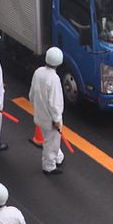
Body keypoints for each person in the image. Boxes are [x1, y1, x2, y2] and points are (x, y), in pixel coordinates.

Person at [30, 47, 65, 175]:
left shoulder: (38, 72)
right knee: (51, 143)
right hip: (50, 119)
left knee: (49, 139)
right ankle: (49, 166)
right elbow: (55, 103)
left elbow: (32, 94)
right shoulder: (54, 79)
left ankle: (58, 157)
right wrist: (56, 120)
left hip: (40, 115)